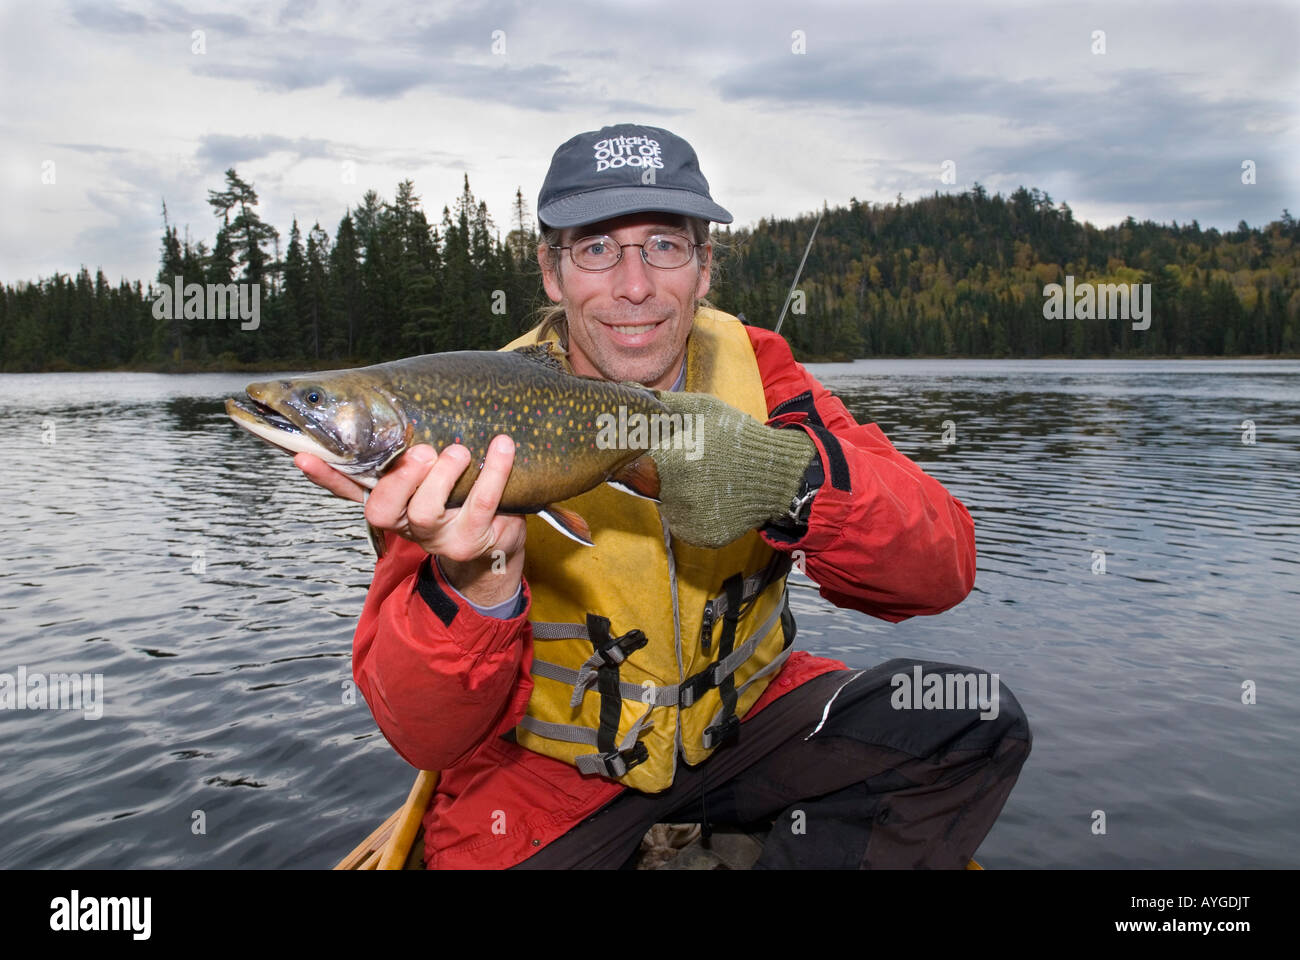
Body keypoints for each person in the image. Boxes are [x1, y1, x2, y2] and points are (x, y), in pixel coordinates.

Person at [296, 123, 1031, 869]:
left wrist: (790, 478)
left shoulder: (766, 377)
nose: (635, 284)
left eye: (665, 245)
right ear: (554, 273)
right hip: (555, 780)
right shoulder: (461, 416)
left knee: (968, 717)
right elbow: (426, 736)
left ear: (703, 267)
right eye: (596, 248)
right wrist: (477, 578)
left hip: (748, 729)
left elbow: (942, 570)